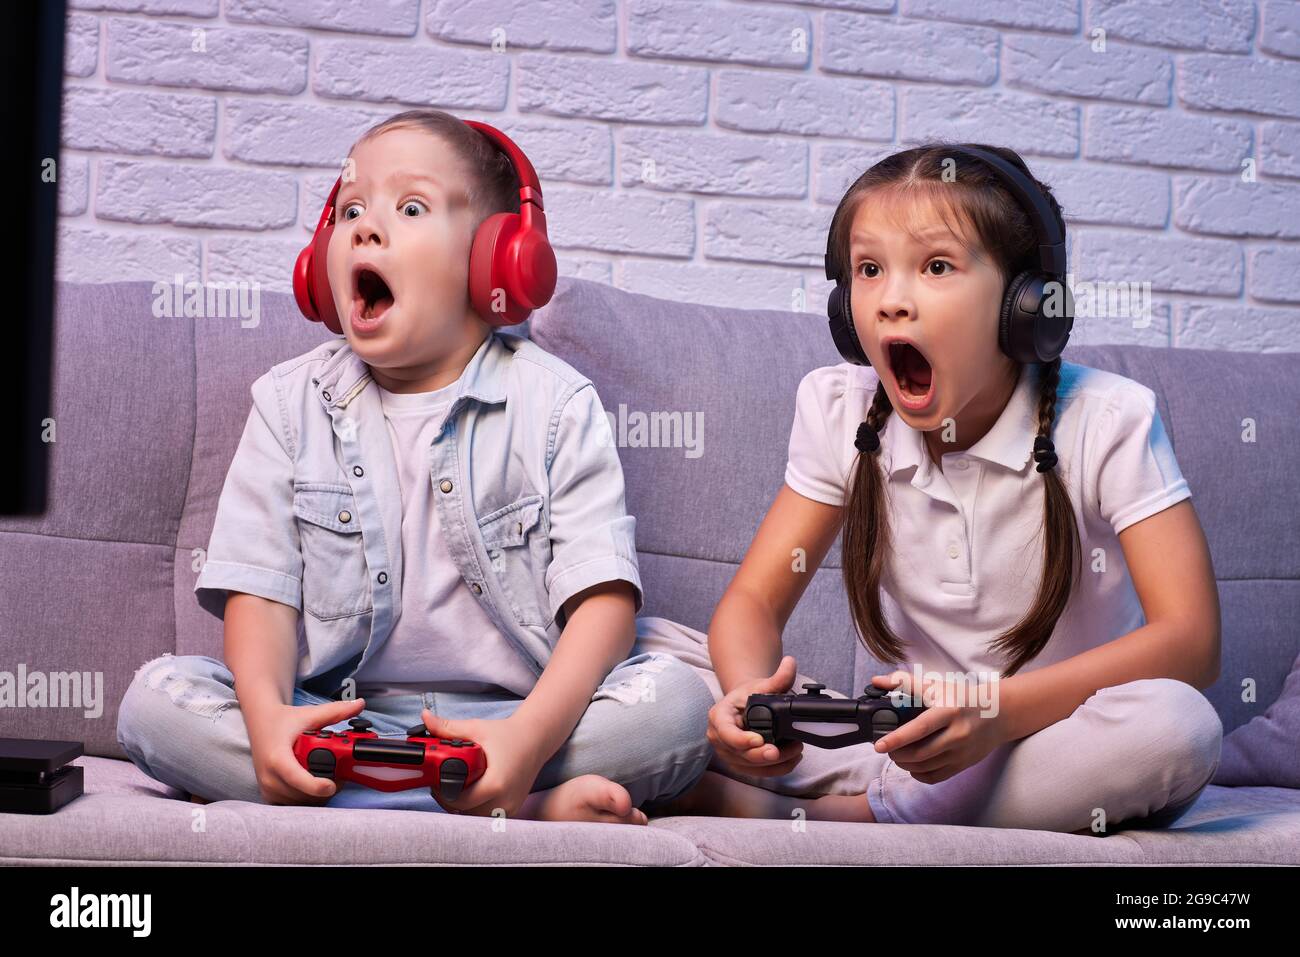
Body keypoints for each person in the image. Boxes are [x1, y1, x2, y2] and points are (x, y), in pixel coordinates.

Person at [116, 109, 714, 825]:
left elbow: (604, 609)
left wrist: (526, 740)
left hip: (517, 719)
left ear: (497, 260)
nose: (366, 227)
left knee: (675, 707)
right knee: (154, 701)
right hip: (336, 722)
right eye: (350, 209)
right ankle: (508, 805)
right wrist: (271, 718)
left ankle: (463, 784)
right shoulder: (286, 402)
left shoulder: (555, 403)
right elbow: (260, 596)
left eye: (409, 207)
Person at [638, 143, 1224, 834]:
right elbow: (753, 604)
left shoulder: (1110, 419)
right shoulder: (840, 409)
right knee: (649, 649)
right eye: (868, 269)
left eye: (936, 266)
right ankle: (879, 792)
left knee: (1177, 725)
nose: (890, 300)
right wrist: (750, 700)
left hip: (1049, 737)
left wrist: (994, 713)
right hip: (905, 744)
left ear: (1024, 305)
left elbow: (1193, 641)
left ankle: (854, 815)